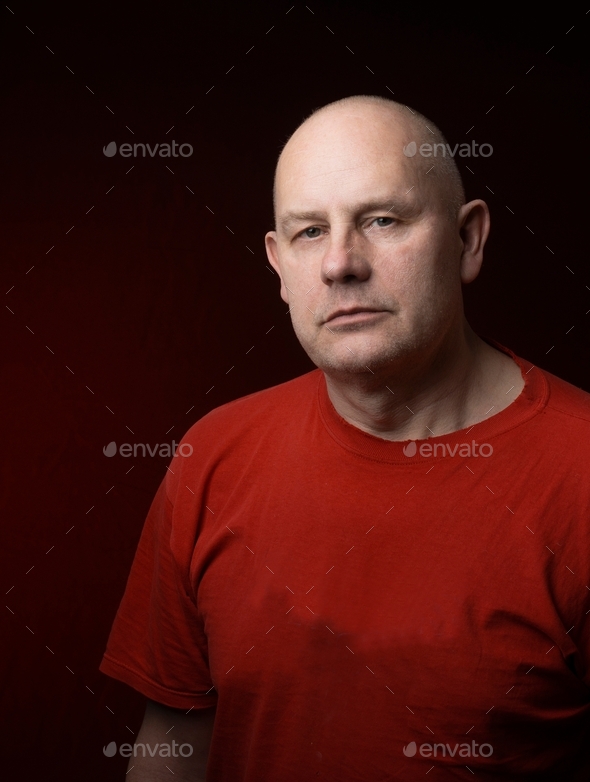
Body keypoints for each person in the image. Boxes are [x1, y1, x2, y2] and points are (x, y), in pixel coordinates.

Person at [99, 95, 590, 780]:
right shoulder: (212, 457)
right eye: (308, 233)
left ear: (467, 240)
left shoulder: (581, 472)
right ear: (278, 266)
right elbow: (174, 754)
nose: (340, 264)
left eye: (382, 220)